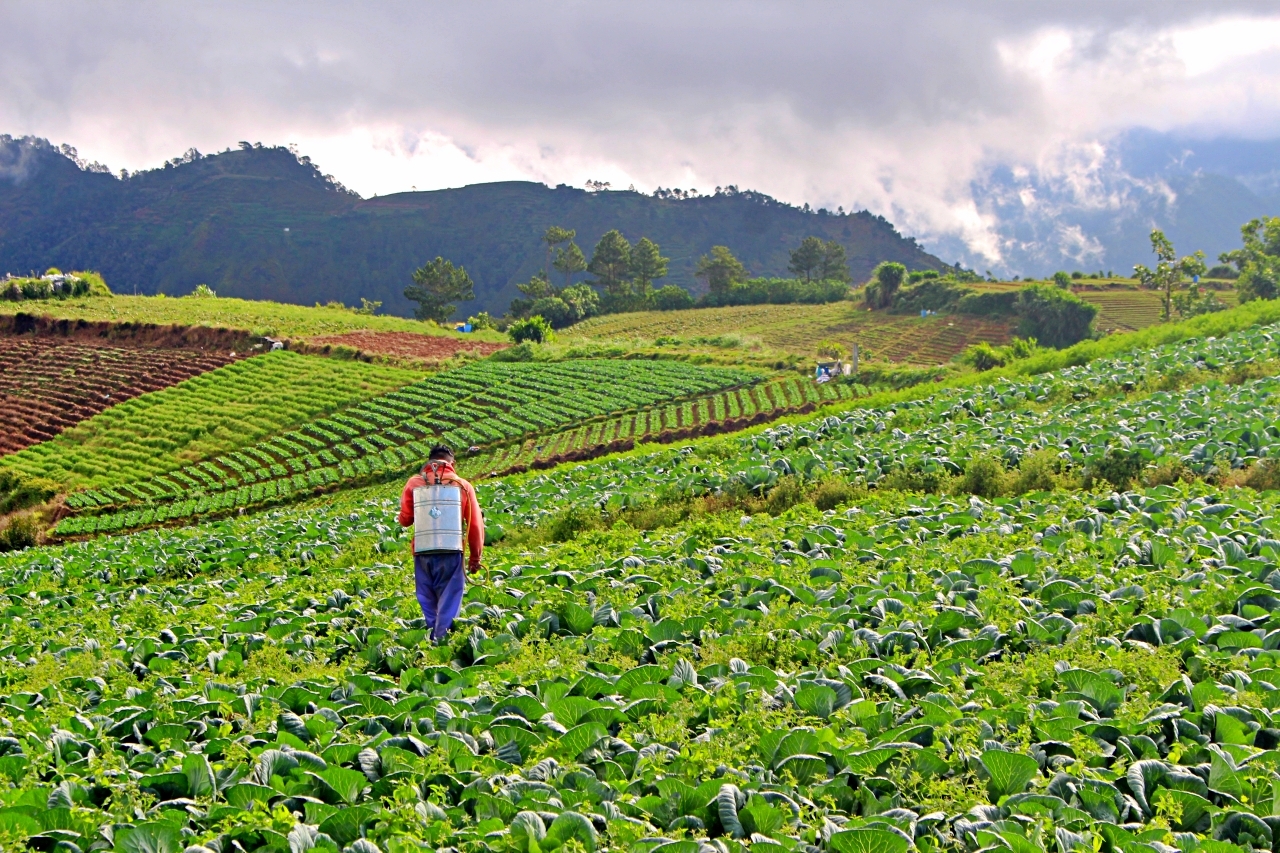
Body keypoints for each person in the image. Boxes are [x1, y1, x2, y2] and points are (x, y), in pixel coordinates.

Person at [397, 445, 484, 643]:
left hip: (422, 552)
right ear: (452, 463)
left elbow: (405, 520)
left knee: (427, 598)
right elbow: (475, 524)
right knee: (450, 599)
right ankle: (441, 641)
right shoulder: (462, 485)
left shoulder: (414, 483)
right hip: (451, 551)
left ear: (429, 461)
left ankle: (432, 637)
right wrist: (475, 557)